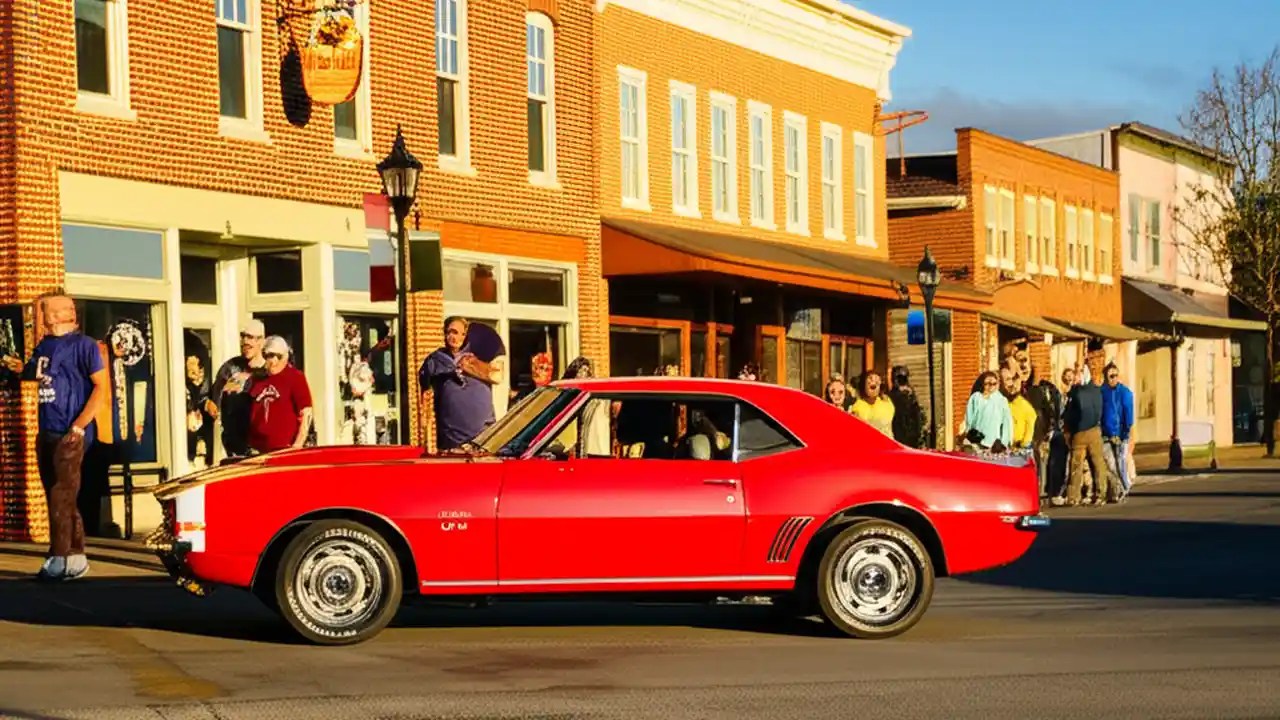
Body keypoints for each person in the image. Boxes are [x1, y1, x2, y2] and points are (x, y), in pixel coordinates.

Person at [2, 292, 109, 581]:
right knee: (63, 495)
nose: (38, 317)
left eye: (42, 311)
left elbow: (101, 388)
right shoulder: (45, 345)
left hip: (71, 431)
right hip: (47, 429)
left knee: (61, 493)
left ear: (63, 313)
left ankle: (58, 556)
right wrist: (17, 368)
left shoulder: (85, 346)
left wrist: (79, 426)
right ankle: (76, 556)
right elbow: (33, 374)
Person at [419, 317, 502, 451]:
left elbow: (498, 376)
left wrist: (470, 366)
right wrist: (424, 422)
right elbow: (425, 392)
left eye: (461, 333)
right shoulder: (436, 360)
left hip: (484, 439)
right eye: (451, 332)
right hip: (452, 442)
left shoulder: (480, 355)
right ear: (445, 334)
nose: (455, 337)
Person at [209, 319, 267, 460]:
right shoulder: (230, 367)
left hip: (263, 442)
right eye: (243, 336)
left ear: (261, 341)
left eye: (251, 337)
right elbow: (213, 402)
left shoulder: (269, 369)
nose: (246, 342)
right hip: (234, 444)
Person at [246, 336, 314, 454]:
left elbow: (306, 412)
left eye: (278, 356)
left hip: (284, 449)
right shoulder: (257, 379)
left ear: (286, 357)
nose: (273, 361)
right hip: (258, 450)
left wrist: (297, 445)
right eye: (268, 356)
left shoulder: (295, 377)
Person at [1062, 363, 1115, 506]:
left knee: (1076, 465)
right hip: (1095, 431)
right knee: (1098, 464)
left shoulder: (1076, 393)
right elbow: (1101, 410)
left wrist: (1070, 429)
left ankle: (1074, 496)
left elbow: (1071, 414)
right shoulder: (1097, 391)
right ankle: (1101, 494)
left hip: (1079, 434)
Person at [1100, 362, 1135, 501]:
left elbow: (1128, 413)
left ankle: (1125, 486)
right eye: (1110, 376)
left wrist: (1125, 432)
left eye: (1115, 375)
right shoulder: (1102, 392)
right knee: (1110, 463)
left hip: (1121, 433)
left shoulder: (1124, 392)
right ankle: (1118, 487)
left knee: (1120, 461)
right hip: (1105, 434)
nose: (1112, 379)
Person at [961, 370, 1013, 451]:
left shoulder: (1002, 400)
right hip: (976, 440)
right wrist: (969, 433)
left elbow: (1007, 422)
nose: (991, 386)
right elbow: (969, 417)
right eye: (988, 383)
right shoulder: (976, 397)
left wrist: (1004, 442)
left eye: (994, 383)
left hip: (993, 443)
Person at [887, 365, 926, 448]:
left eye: (904, 378)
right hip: (899, 434)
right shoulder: (891, 396)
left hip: (912, 435)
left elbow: (916, 414)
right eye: (900, 378)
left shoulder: (910, 394)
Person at [1001, 366, 1037, 451]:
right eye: (1007, 379)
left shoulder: (1023, 404)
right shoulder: (999, 401)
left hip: (1018, 448)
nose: (1011, 384)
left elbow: (1031, 420)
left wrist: (1023, 444)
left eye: (1010, 379)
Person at [850, 370, 895, 437]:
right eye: (870, 378)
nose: (874, 381)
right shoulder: (857, 406)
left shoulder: (886, 402)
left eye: (877, 380)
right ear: (864, 384)